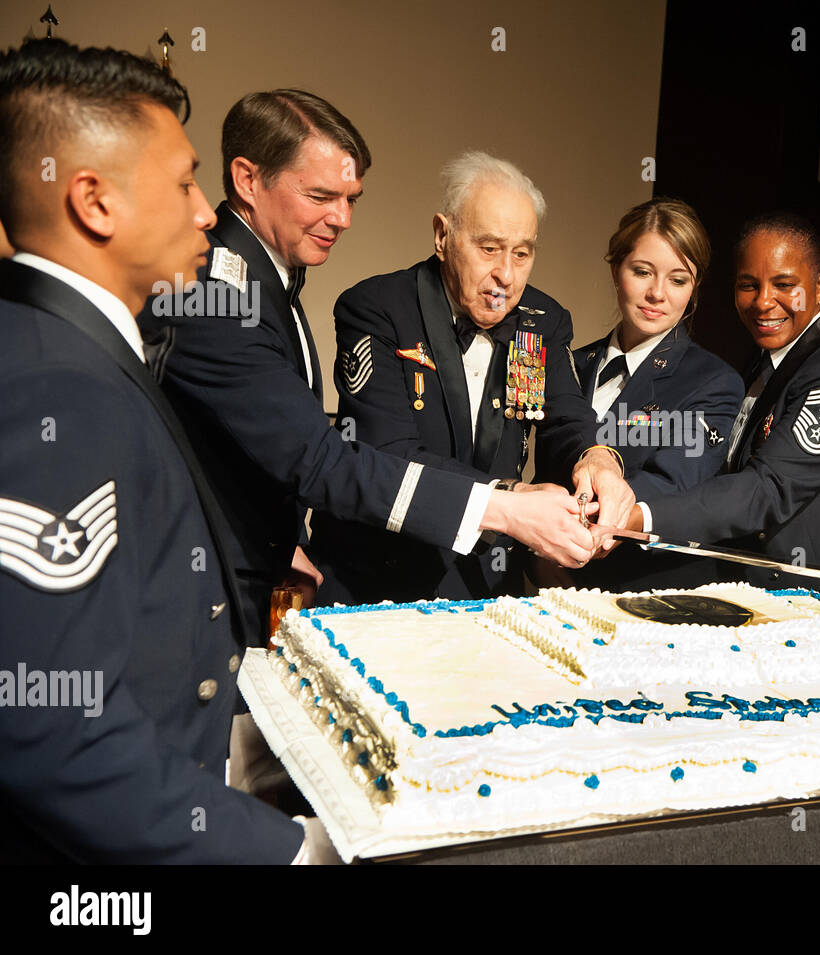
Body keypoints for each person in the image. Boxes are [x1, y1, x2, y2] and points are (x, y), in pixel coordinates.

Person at [0, 38, 310, 862]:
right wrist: (288, 853)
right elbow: (52, 729)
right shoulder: (53, 386)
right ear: (94, 202)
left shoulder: (73, 350)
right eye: (183, 183)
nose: (207, 210)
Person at [145, 101, 601, 644]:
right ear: (248, 179)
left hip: (456, 584)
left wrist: (600, 460)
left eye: (350, 200)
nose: (343, 219)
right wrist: (506, 505)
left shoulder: (268, 280)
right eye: (320, 196)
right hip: (242, 590)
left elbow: (254, 447)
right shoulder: (223, 294)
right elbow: (323, 460)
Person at [308, 152, 634, 604]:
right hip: (374, 576)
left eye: (522, 253)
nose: (506, 274)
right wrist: (512, 497)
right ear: (443, 235)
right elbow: (387, 451)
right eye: (489, 248)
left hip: (483, 584)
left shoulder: (540, 321)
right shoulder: (377, 308)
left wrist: (597, 460)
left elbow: (564, 415)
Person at [628, 212, 820, 612]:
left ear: (819, 285)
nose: (763, 302)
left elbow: (767, 489)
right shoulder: (764, 361)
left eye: (784, 285)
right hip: (767, 592)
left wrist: (639, 518)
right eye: (748, 285)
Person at [560, 198, 743, 590]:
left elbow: (675, 482)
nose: (657, 293)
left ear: (694, 289)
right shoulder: (569, 365)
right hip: (554, 581)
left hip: (654, 591)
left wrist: (592, 515)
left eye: (678, 280)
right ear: (615, 270)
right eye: (642, 271)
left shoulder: (714, 381)